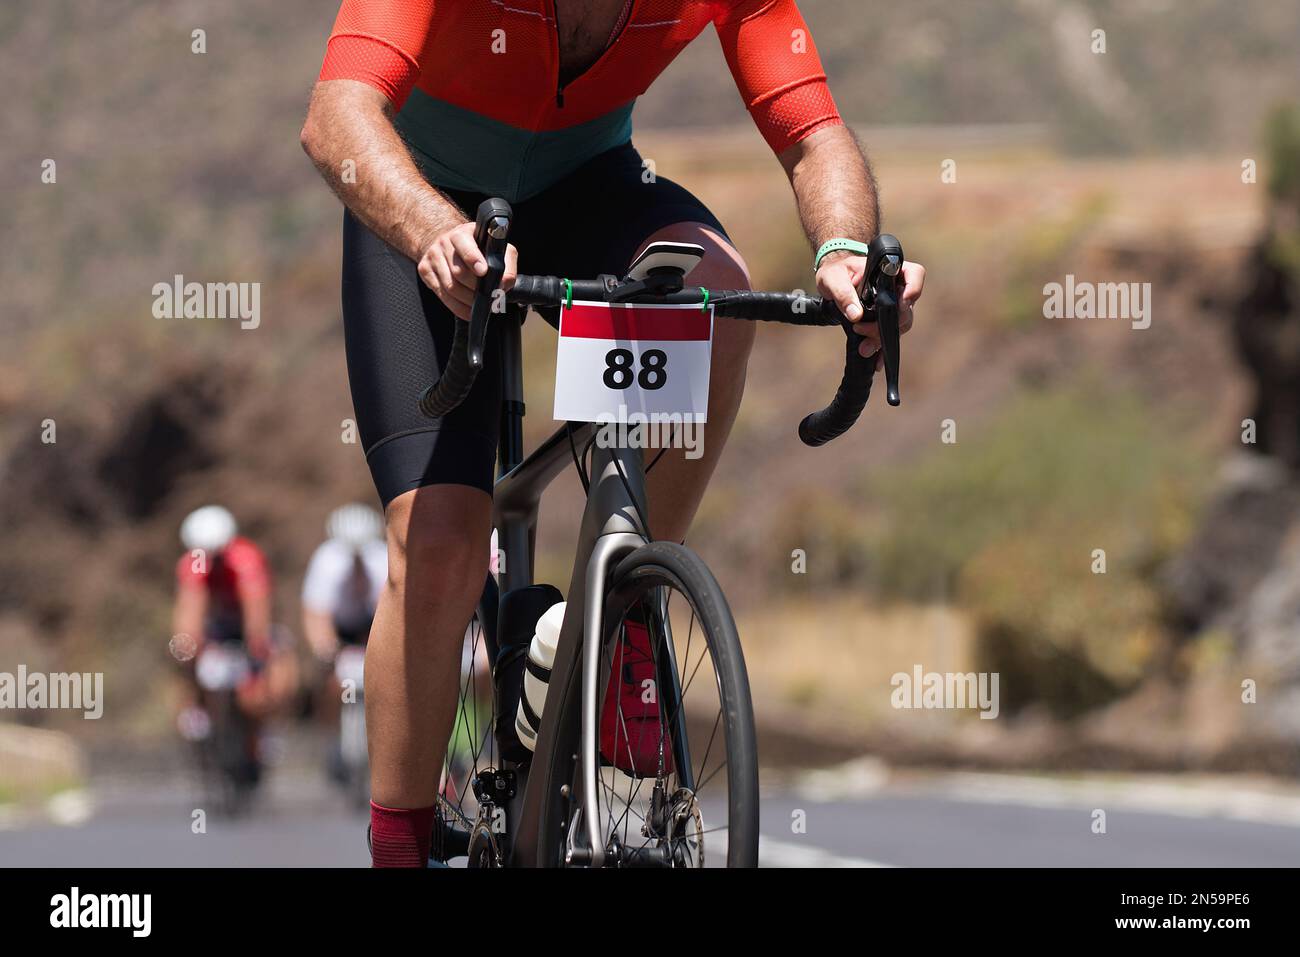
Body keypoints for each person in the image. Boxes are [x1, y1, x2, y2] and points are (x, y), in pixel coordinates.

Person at [301, 0, 926, 866]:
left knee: (714, 302)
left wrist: (844, 251)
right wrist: (432, 230)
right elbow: (336, 115)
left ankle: (620, 613)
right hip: (424, 196)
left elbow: (813, 131)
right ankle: (402, 845)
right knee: (440, 541)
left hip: (589, 187)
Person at [173, 506, 295, 755]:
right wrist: (188, 647)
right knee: (183, 649)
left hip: (245, 623)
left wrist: (256, 650)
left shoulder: (247, 559)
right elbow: (189, 611)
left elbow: (256, 613)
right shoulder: (193, 563)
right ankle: (197, 707)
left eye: (217, 556)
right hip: (216, 625)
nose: (211, 561)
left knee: (269, 670)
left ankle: (264, 726)